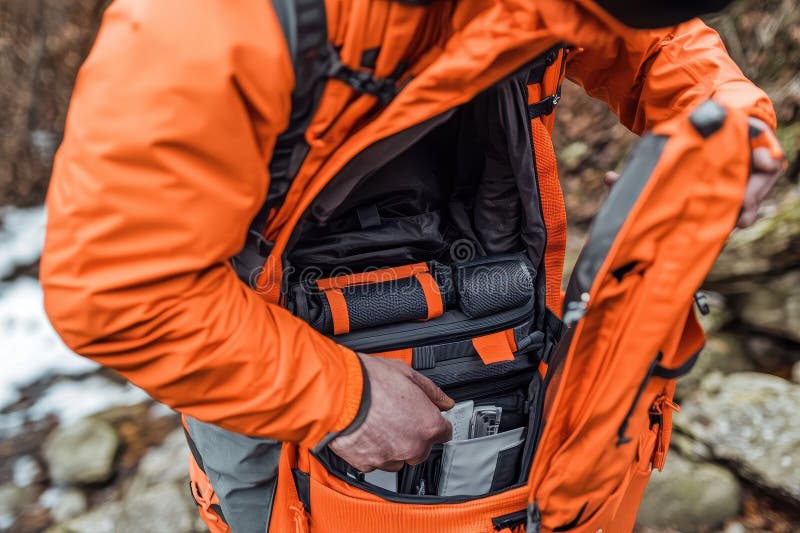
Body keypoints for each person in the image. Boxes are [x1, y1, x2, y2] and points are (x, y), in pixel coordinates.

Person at [41, 0, 784, 531]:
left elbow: (648, 39)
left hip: (508, 335)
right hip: (284, 403)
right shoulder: (212, 24)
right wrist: (343, 399)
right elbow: (115, 292)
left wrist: (725, 116)